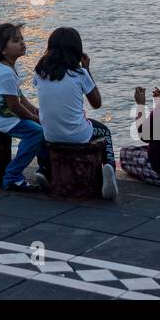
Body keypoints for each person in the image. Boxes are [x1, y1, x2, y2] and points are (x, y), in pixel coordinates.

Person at [32, 27, 118, 200]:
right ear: (77, 51)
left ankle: (45, 169)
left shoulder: (40, 71)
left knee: (43, 124)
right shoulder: (80, 73)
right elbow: (97, 103)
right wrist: (88, 70)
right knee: (105, 132)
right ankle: (109, 169)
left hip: (49, 134)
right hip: (79, 135)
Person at [0, 23, 50, 192]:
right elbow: (15, 106)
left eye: (22, 39)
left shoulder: (6, 68)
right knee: (36, 132)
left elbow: (19, 96)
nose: (22, 43)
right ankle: (12, 176)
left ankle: (45, 169)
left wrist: (35, 110)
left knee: (41, 126)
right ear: (3, 50)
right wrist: (34, 118)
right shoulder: (4, 73)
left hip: (4, 114)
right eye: (16, 41)